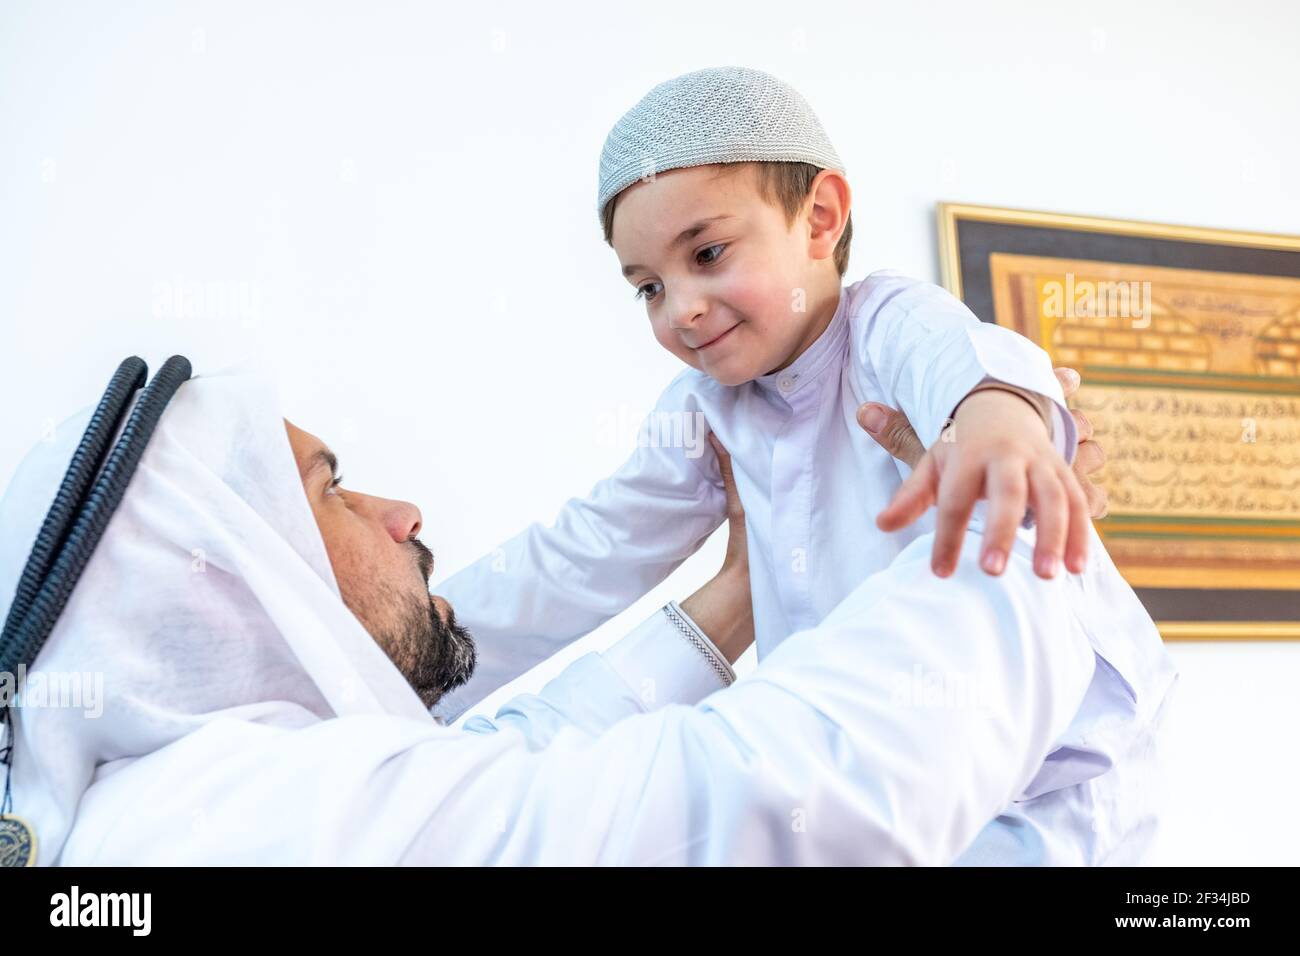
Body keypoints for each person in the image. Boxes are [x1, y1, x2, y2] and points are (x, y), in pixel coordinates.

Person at [0, 366, 1157, 864]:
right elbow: (782, 794)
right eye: (332, 486)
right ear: (228, 573)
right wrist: (1021, 530)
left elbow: (499, 769)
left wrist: (735, 594)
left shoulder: (189, 795)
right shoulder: (247, 826)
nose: (399, 510)